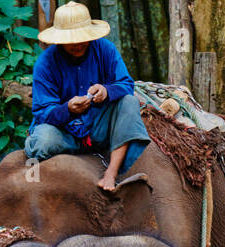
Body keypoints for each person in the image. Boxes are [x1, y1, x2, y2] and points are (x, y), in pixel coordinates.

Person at [24, 2, 150, 193]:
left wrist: (106, 91)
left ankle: (111, 173)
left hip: (100, 127)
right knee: (42, 140)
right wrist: (67, 109)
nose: (78, 44)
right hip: (63, 133)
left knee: (129, 102)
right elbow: (43, 112)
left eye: (82, 38)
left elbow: (126, 84)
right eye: (71, 40)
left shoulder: (105, 49)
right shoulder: (45, 63)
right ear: (60, 40)